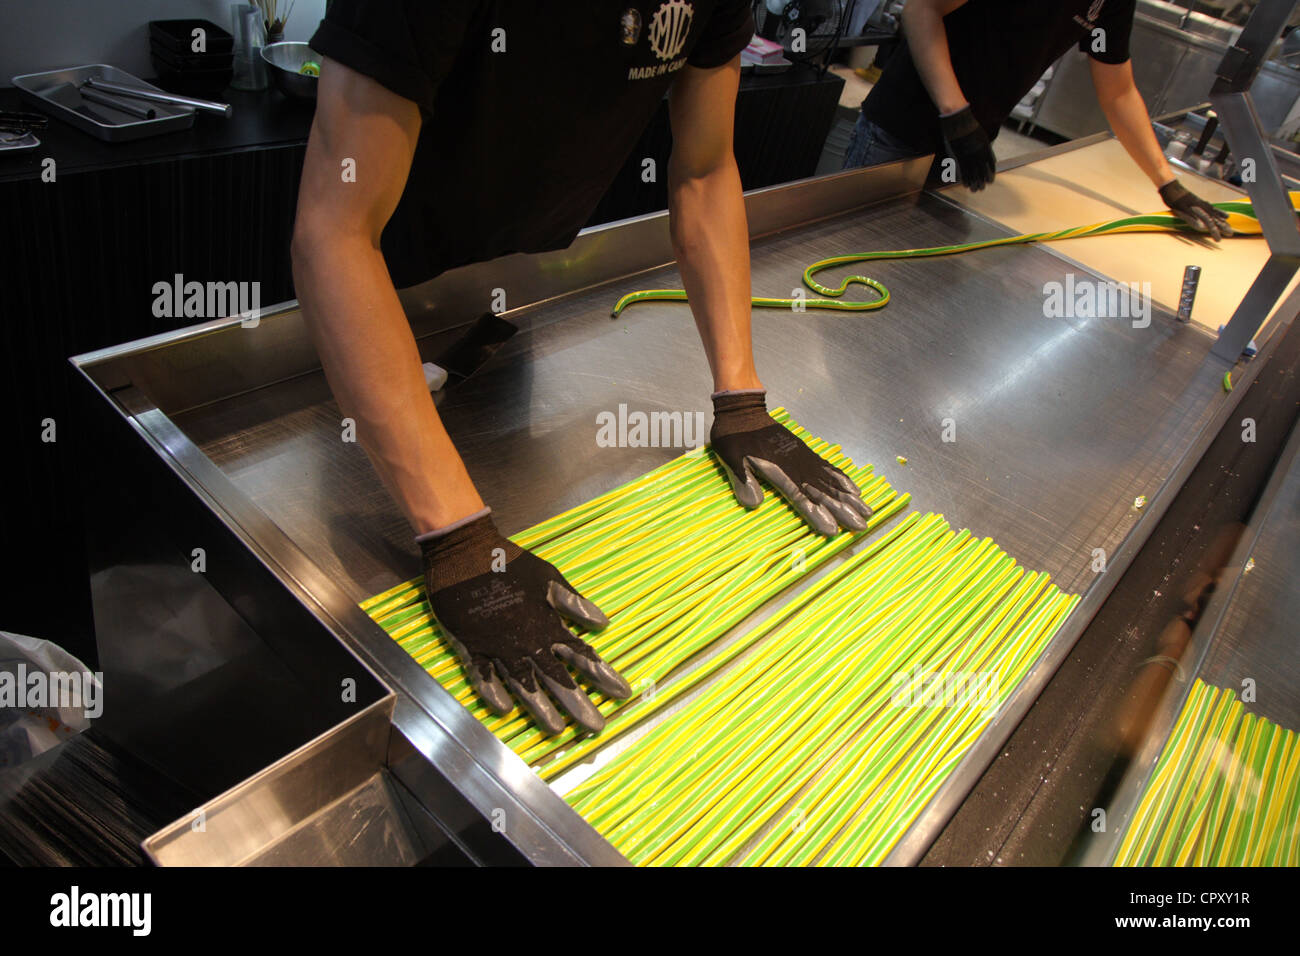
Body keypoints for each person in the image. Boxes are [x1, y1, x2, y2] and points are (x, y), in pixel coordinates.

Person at [291, 1, 873, 737]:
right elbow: (334, 233)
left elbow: (704, 167)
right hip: (364, 301)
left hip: (504, 288)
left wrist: (741, 398)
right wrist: (461, 539)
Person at [842, 0, 1231, 240]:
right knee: (852, 240)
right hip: (902, 126)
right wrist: (956, 113)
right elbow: (923, 10)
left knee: (908, 252)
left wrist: (1167, 183)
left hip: (969, 144)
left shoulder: (1111, 1)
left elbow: (1118, 92)